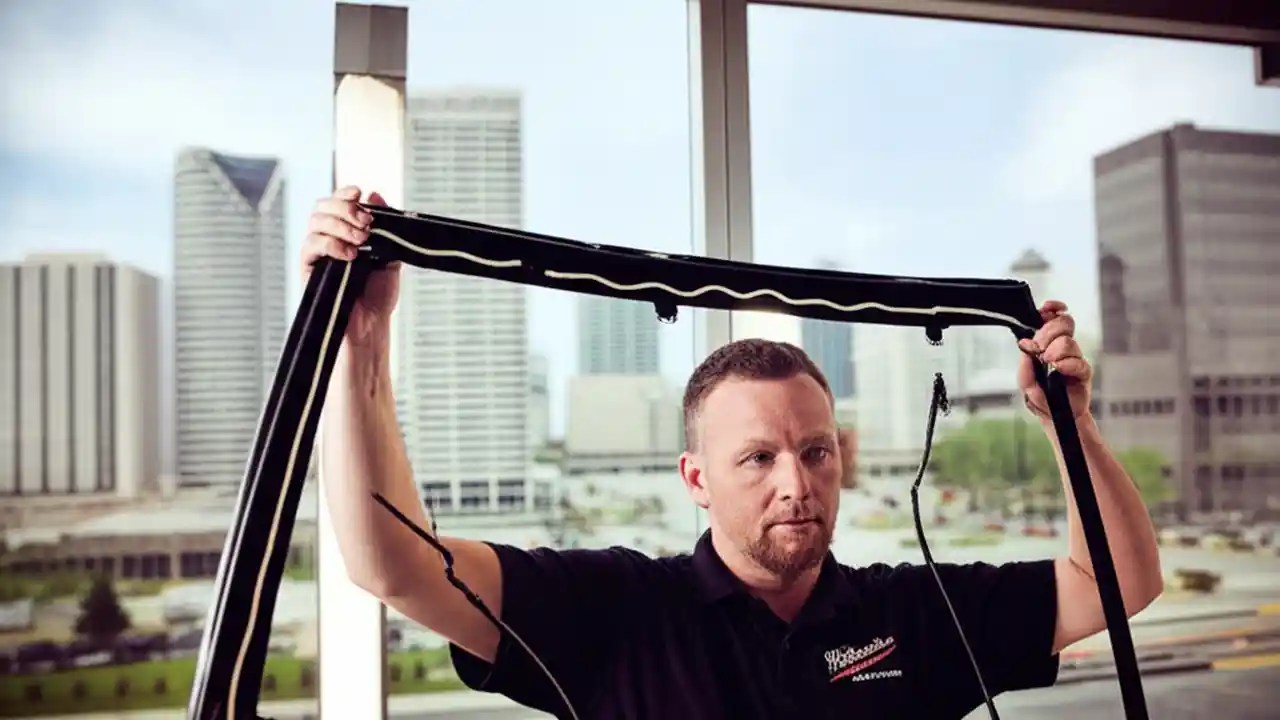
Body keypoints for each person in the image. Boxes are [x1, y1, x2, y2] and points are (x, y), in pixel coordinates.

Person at [305, 186, 1164, 719]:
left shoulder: (915, 615)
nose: (798, 484)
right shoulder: (612, 611)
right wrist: (365, 338)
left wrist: (1068, 423)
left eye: (816, 451)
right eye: (757, 459)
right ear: (697, 480)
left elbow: (1121, 584)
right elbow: (395, 567)